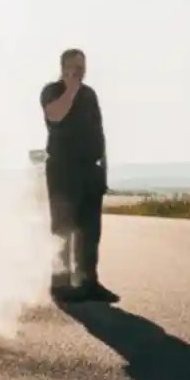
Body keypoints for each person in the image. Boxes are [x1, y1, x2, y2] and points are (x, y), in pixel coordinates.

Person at [40, 48, 120, 303]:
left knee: (90, 229)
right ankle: (60, 284)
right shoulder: (52, 91)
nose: (79, 71)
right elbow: (55, 115)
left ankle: (88, 281)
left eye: (82, 67)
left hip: (90, 169)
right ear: (63, 67)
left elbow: (100, 132)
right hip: (63, 169)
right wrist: (71, 89)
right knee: (63, 227)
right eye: (74, 67)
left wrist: (103, 170)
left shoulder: (90, 95)